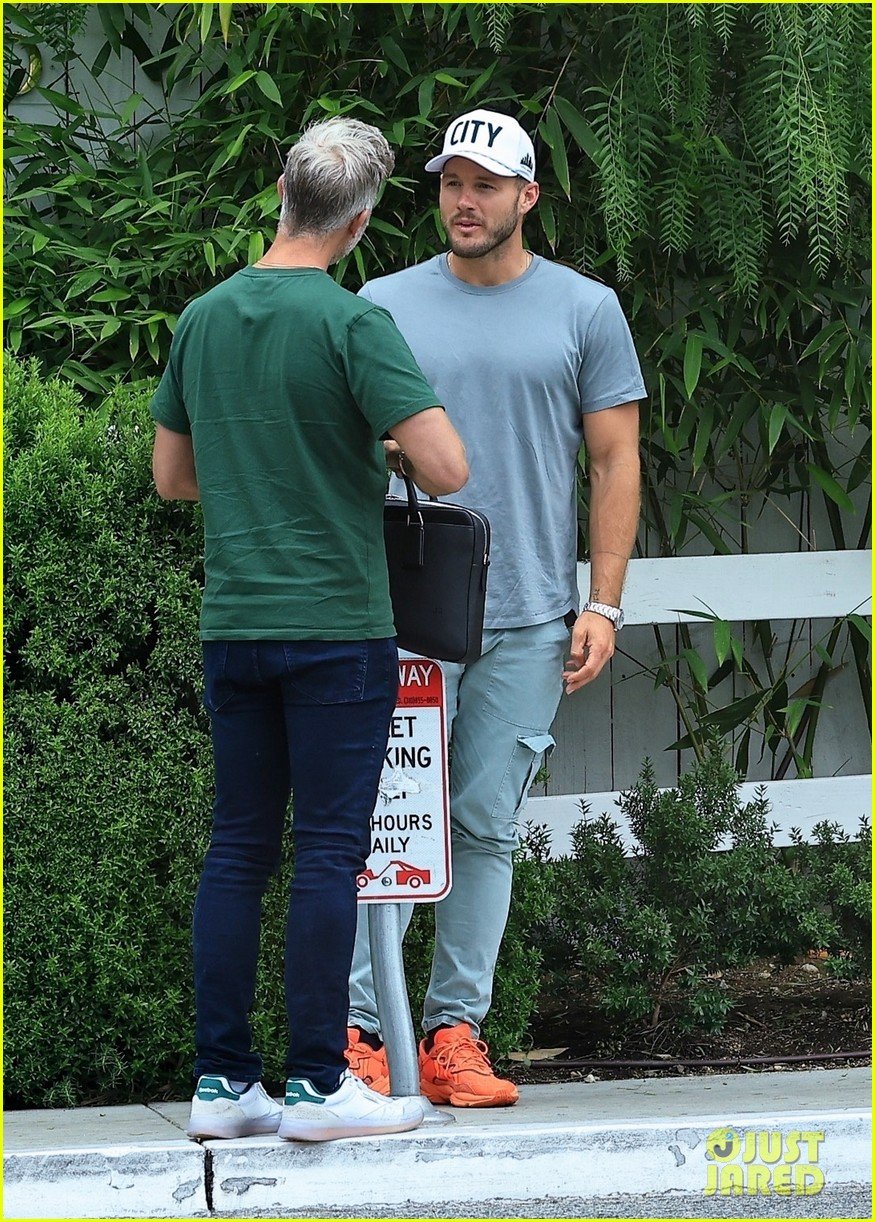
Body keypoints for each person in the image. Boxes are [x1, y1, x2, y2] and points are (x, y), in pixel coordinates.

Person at [150, 117, 468, 1142]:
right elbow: (448, 466)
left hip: (234, 622)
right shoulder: (350, 324)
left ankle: (219, 1086)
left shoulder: (201, 317)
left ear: (282, 194)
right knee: (330, 850)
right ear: (361, 221)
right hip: (336, 622)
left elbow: (172, 479)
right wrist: (373, 445)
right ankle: (317, 1086)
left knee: (237, 848)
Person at [345, 109, 646, 1107]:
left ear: (526, 196)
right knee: (378, 818)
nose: (463, 202)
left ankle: (450, 1034)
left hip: (524, 613)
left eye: (483, 184)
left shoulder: (583, 309)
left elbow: (613, 458)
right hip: (395, 609)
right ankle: (360, 1034)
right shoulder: (377, 302)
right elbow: (335, 439)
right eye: (448, 183)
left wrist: (600, 600)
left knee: (480, 825)